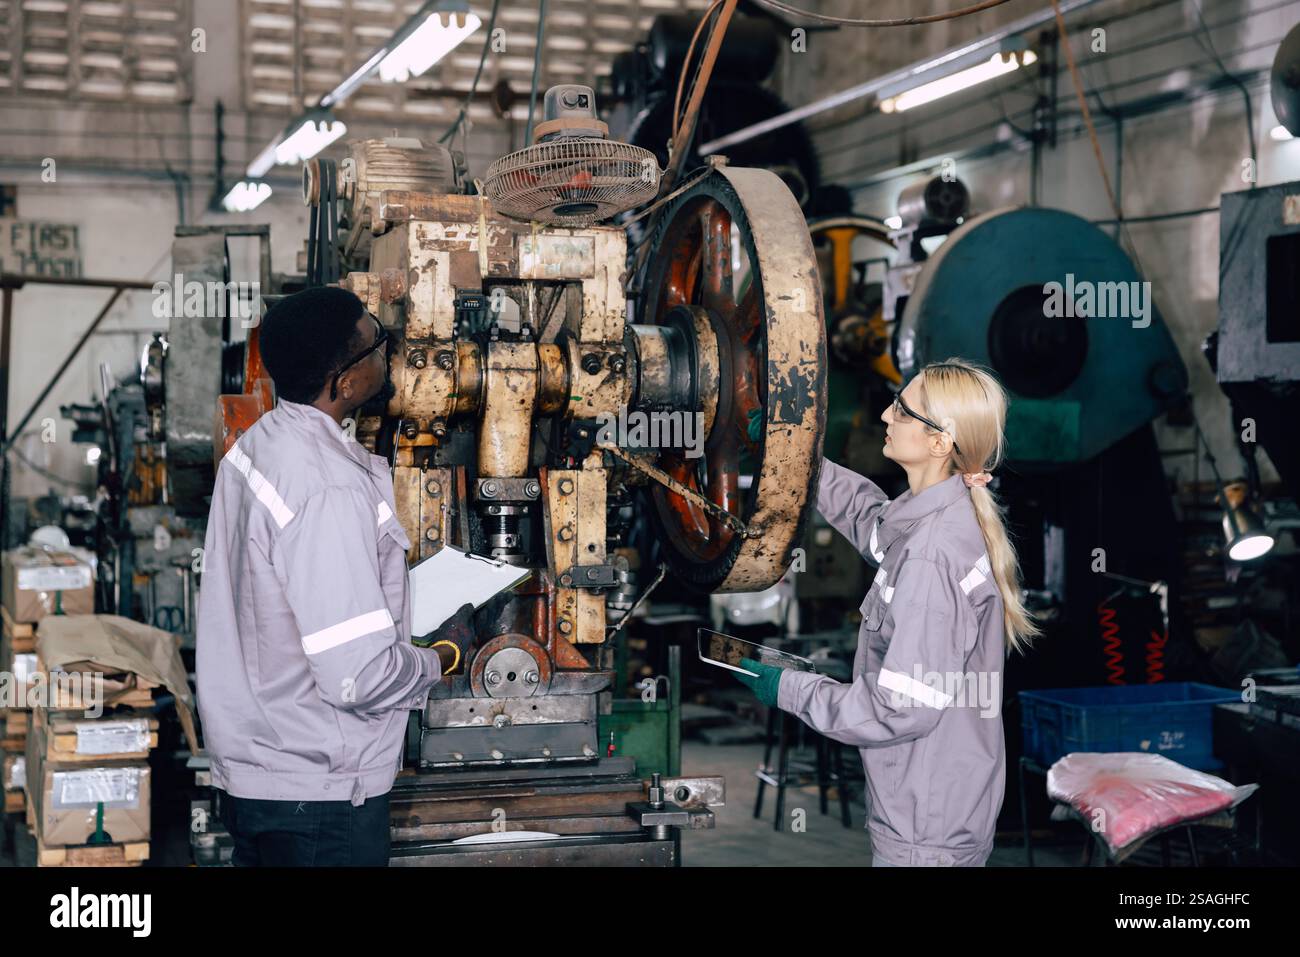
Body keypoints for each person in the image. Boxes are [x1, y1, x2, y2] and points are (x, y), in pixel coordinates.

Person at [196, 286, 473, 866]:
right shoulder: (326, 489)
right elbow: (358, 677)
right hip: (321, 800)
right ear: (343, 383)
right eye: (376, 343)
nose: (386, 353)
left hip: (266, 775)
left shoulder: (258, 448)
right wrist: (443, 656)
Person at [736, 358, 1039, 866]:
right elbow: (868, 520)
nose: (884, 414)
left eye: (902, 409)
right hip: (941, 803)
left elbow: (895, 712)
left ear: (940, 441)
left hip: (926, 827)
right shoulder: (939, 516)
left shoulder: (932, 554)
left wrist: (786, 687)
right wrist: (793, 457)